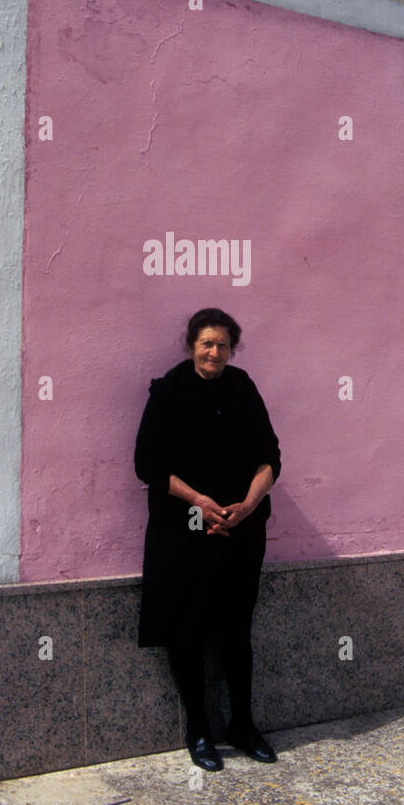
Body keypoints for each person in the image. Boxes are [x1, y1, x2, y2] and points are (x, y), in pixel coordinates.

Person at [135, 307, 281, 771]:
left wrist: (249, 505)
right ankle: (198, 730)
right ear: (191, 346)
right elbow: (149, 465)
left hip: (239, 528)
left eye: (222, 344)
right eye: (206, 343)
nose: (214, 351)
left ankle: (242, 724)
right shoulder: (169, 391)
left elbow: (270, 459)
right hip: (185, 530)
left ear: (231, 349)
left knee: (236, 630)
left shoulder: (244, 389)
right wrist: (199, 500)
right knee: (188, 630)